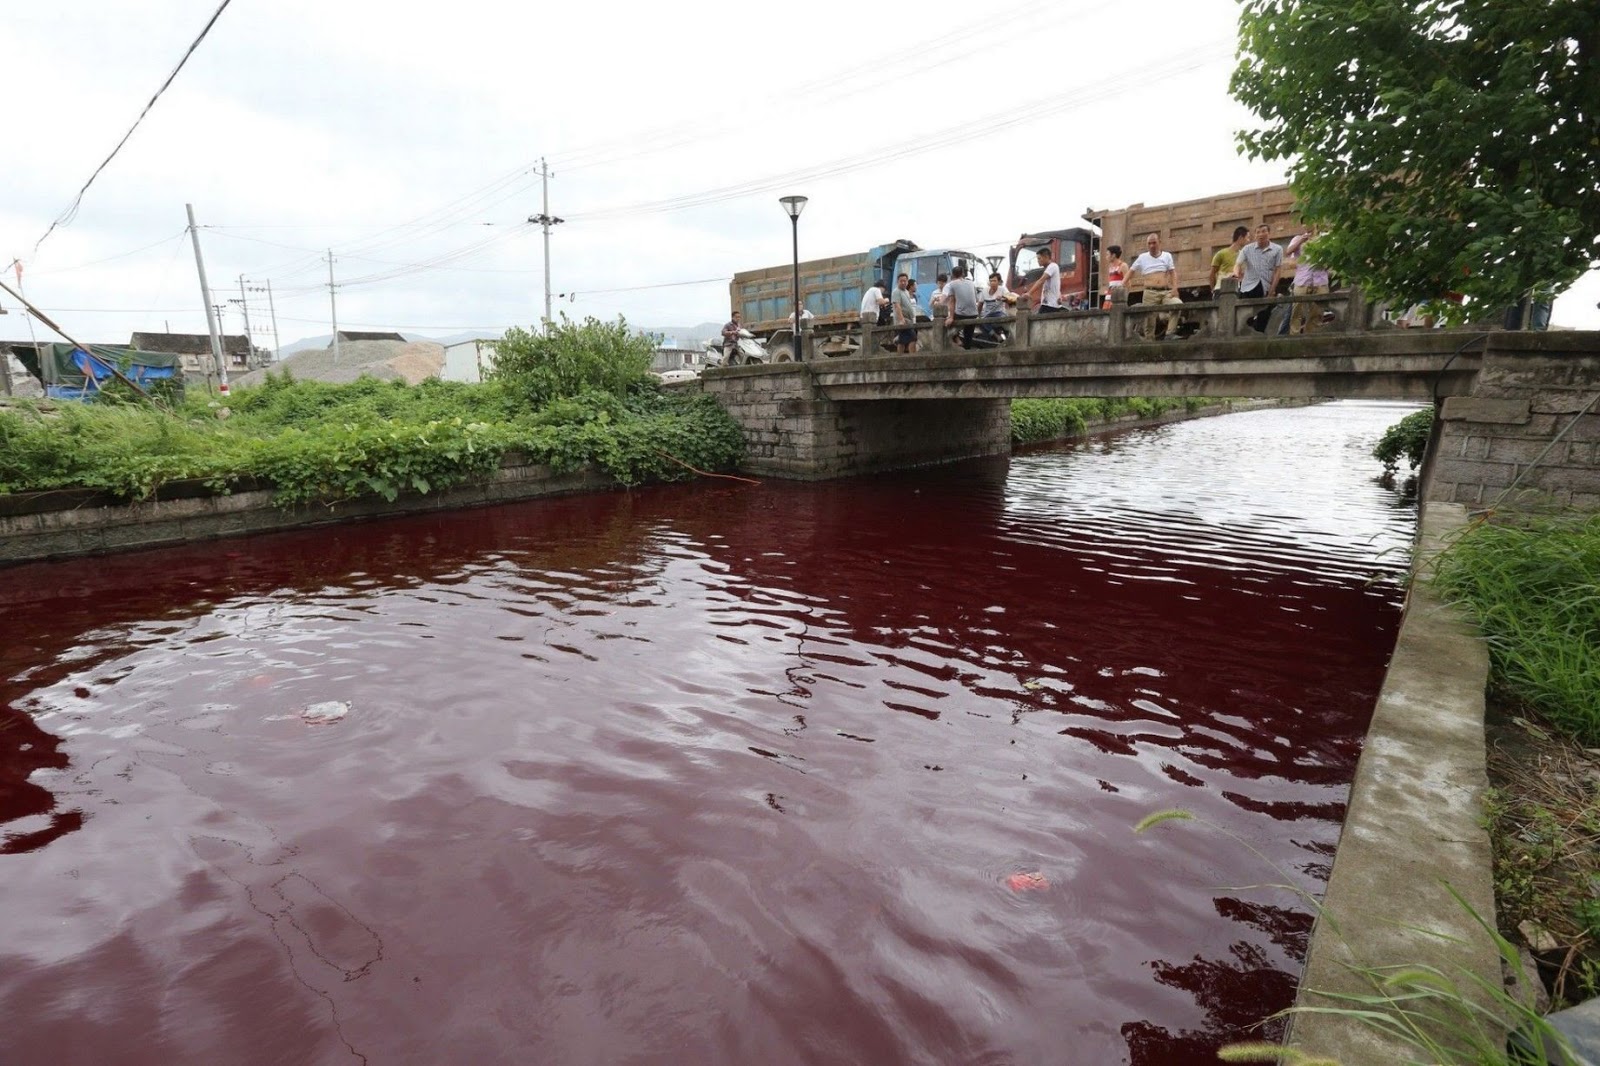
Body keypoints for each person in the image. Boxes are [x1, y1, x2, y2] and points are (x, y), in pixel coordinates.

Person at [1129, 233, 1182, 339]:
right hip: (1150, 292)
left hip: (1165, 291)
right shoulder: (1142, 257)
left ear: (1159, 243)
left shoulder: (1167, 256)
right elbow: (1131, 271)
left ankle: (1170, 333)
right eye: (1149, 243)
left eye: (1154, 243)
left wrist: (1175, 288)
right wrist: (1122, 284)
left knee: (1178, 305)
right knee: (1149, 319)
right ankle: (1149, 342)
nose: (1152, 246)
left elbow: (1172, 272)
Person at [1233, 224, 1284, 333]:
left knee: (1263, 318)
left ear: (1269, 233)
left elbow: (1278, 270)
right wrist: (1236, 274)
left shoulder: (1277, 249)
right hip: (1249, 287)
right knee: (1244, 318)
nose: (1261, 234)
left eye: (1263, 231)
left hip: (1266, 287)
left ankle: (1257, 339)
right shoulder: (1247, 249)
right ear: (1255, 235)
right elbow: (1237, 264)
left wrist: (1271, 291)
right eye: (1258, 232)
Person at [1285, 226, 1330, 334]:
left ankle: (1312, 337)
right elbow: (1288, 252)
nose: (1307, 224)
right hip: (1302, 279)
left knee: (1317, 312)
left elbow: (1331, 256)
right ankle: (1294, 337)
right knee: (1297, 311)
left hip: (1320, 279)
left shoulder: (1324, 238)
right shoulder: (1297, 239)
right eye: (1304, 222)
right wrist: (1302, 240)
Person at [943, 262, 980, 349]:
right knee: (968, 334)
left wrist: (951, 317)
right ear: (963, 274)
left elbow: (952, 301)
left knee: (947, 324)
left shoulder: (952, 284)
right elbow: (976, 299)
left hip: (961, 314)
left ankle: (956, 341)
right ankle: (967, 348)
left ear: (952, 275)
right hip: (974, 314)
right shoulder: (971, 283)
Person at [1209, 226, 1250, 295]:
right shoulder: (1221, 254)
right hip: (1220, 290)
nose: (1248, 240)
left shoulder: (1243, 256)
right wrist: (1213, 290)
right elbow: (1212, 274)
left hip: (1237, 290)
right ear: (1240, 238)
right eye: (1247, 237)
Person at [1027, 246, 1064, 313]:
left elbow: (1041, 280)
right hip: (1049, 304)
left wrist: (1029, 293)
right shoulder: (1051, 267)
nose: (1038, 261)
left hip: (1050, 305)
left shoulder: (1052, 266)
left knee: (1038, 322)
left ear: (1046, 257)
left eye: (1039, 258)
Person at [891, 272, 919, 353]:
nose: (903, 282)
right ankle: (912, 357)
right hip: (904, 320)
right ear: (898, 282)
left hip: (908, 319)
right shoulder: (896, 291)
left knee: (902, 340)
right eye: (901, 281)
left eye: (905, 281)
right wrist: (901, 320)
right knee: (913, 338)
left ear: (907, 282)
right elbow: (897, 306)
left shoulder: (906, 292)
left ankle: (899, 358)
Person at [860, 278, 889, 352]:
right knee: (873, 337)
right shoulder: (877, 290)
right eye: (884, 290)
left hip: (864, 317)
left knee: (869, 337)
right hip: (870, 318)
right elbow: (880, 301)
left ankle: (870, 351)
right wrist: (886, 300)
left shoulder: (870, 291)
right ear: (882, 287)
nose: (883, 292)